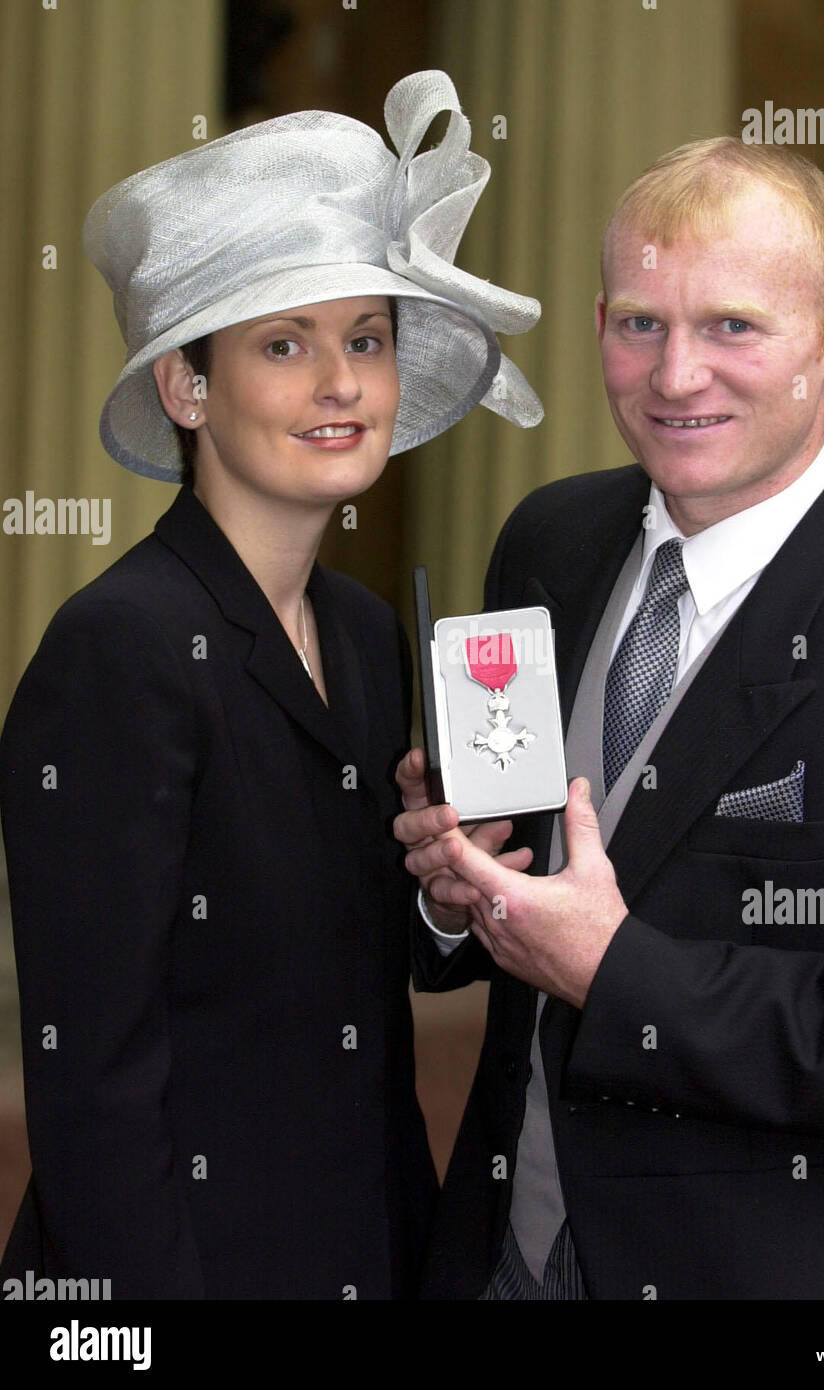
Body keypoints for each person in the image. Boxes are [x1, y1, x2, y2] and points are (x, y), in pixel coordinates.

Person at [396, 137, 824, 1300]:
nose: (674, 376)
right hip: (495, 1256)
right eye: (639, 323)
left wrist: (617, 970)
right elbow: (529, 881)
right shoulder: (549, 542)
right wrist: (454, 889)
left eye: (731, 326)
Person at [0, 70, 541, 1300]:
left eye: (365, 339)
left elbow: (360, 968)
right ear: (187, 388)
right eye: (283, 344)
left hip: (361, 1241)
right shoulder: (121, 649)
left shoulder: (360, 632)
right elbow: (90, 1074)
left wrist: (445, 897)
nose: (340, 382)